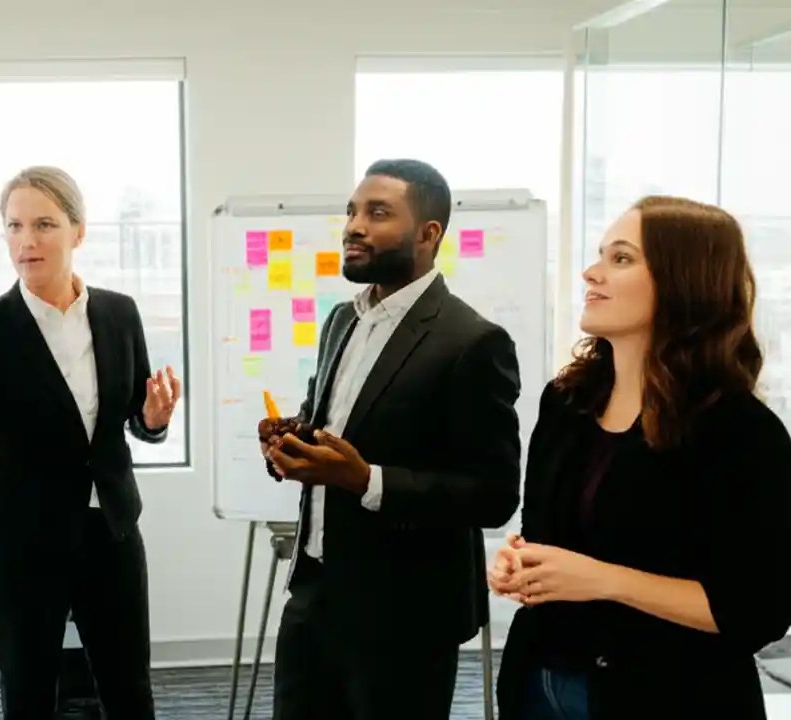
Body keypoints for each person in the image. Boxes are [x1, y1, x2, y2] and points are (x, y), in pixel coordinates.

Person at [490, 196, 791, 720]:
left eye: (621, 259)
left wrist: (603, 579)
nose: (592, 272)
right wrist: (521, 562)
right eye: (601, 254)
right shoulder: (565, 402)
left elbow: (757, 613)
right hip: (540, 683)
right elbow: (542, 531)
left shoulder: (741, 432)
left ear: (683, 283)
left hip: (669, 695)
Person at [259, 158, 523, 718]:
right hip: (313, 597)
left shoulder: (473, 342)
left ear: (429, 234)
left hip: (406, 615)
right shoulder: (341, 320)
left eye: (377, 213)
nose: (354, 225)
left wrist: (366, 481)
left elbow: (494, 495)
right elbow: (334, 424)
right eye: (352, 211)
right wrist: (292, 445)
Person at [0, 166, 182, 719]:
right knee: (31, 695)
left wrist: (154, 419)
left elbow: (134, 419)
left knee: (129, 691)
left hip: (109, 530)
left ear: (78, 232)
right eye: (14, 226)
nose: (27, 241)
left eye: (44, 224)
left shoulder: (119, 313)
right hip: (22, 539)